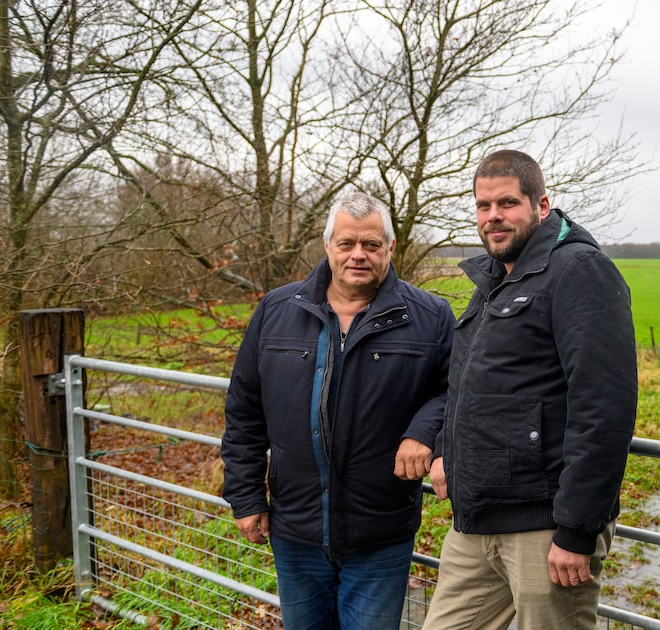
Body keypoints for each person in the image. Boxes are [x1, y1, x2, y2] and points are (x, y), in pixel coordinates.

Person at [424, 150, 637, 629]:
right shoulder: (497, 278)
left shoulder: (579, 271)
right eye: (482, 206)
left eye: (506, 203)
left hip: (545, 528)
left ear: (541, 205)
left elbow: (604, 406)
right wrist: (443, 450)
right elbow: (470, 385)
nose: (493, 217)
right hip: (478, 520)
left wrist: (577, 530)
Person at [221, 192, 454, 629]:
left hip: (380, 530)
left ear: (389, 248)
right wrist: (246, 495)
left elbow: (456, 392)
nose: (358, 255)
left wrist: (424, 430)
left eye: (371, 244)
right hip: (295, 526)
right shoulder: (276, 311)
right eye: (346, 244)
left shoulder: (431, 316)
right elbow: (244, 411)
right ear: (328, 247)